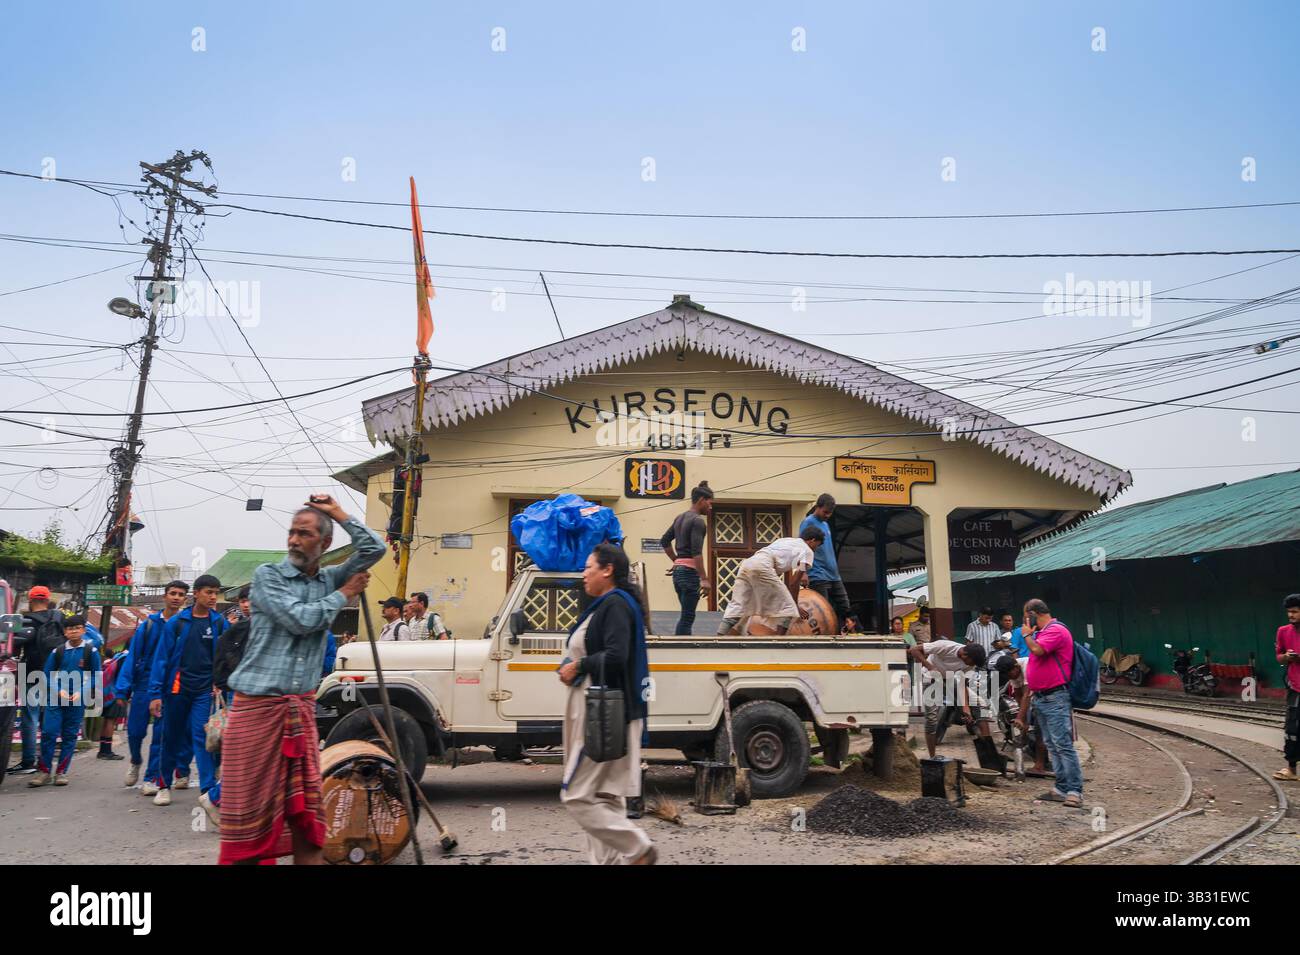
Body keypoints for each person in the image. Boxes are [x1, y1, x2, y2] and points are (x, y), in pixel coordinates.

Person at [218, 494, 383, 865]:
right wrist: (345, 594)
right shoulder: (268, 576)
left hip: (299, 712)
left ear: (324, 544)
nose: (293, 540)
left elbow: (374, 547)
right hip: (257, 711)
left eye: (304, 533)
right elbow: (302, 620)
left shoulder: (328, 577)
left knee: (308, 821)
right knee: (251, 821)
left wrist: (336, 512)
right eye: (292, 532)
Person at [557, 542, 655, 865]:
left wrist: (580, 666)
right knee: (606, 797)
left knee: (575, 796)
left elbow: (616, 657)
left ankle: (637, 846)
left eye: (589, 567)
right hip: (601, 710)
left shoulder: (615, 604)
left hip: (604, 717)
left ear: (607, 570)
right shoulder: (607, 605)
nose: (583, 574)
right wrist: (571, 666)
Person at [148, 574, 228, 808]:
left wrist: (220, 682)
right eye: (209, 592)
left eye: (216, 592)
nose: (213, 597)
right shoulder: (177, 623)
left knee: (202, 737)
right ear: (197, 594)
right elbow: (161, 659)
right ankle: (163, 786)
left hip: (204, 691)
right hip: (176, 690)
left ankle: (207, 791)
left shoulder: (219, 623)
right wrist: (154, 694)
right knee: (170, 737)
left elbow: (224, 657)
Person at [121, 579, 188, 793]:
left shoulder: (185, 625)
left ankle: (151, 778)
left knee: (161, 734)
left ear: (185, 599)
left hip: (170, 686)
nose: (176, 598)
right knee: (135, 731)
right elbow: (133, 656)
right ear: (165, 596)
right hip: (144, 683)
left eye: (180, 595)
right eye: (173, 593)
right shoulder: (149, 624)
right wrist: (123, 688)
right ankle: (135, 760)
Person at [1020, 598, 1083, 808]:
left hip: (1055, 697)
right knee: (1052, 745)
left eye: (1025, 617)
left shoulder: (1055, 630)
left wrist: (1027, 634)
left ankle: (1075, 790)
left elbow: (1037, 650)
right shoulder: (1044, 632)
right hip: (1042, 697)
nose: (1024, 621)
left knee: (1062, 745)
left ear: (1032, 614)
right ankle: (1061, 788)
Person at [29, 615, 100, 787]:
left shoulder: (91, 652)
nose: (74, 631)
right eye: (69, 628)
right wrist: (57, 690)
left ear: (83, 630)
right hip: (56, 698)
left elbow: (95, 676)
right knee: (48, 733)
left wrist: (81, 692)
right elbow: (47, 674)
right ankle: (44, 771)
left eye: (77, 628)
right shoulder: (58, 651)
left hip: (77, 700)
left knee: (69, 736)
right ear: (65, 632)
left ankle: (61, 772)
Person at [716, 526, 822, 636]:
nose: (816, 549)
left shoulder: (786, 541)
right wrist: (795, 606)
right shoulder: (808, 551)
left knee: (739, 607)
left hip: (747, 564)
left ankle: (718, 639)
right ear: (812, 540)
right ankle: (778, 645)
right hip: (763, 566)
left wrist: (803, 574)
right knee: (789, 609)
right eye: (817, 546)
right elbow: (794, 582)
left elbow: (796, 567)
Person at [11, 586, 64, 775]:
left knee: (30, 716)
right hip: (56, 673)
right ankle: (47, 760)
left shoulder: (26, 621)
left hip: (31, 671)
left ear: (31, 600)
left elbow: (14, 644)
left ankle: (28, 761)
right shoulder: (59, 617)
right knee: (49, 714)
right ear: (48, 600)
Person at [907, 637, 987, 758]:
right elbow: (914, 650)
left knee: (977, 703)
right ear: (966, 655)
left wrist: (966, 708)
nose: (972, 666)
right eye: (972, 662)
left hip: (949, 679)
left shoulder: (970, 663)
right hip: (930, 678)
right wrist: (930, 667)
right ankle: (932, 756)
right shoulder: (945, 646)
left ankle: (981, 735)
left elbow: (962, 684)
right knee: (931, 719)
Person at [659, 481, 713, 636]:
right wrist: (704, 578)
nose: (711, 507)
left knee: (685, 615)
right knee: (687, 617)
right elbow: (696, 552)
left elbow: (664, 541)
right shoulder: (697, 521)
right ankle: (682, 648)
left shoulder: (679, 518)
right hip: (689, 574)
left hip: (678, 574)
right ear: (701, 500)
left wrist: (677, 561)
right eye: (709, 503)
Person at [799, 494, 857, 633]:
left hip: (833, 574)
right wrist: (804, 572)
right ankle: (825, 636)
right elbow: (802, 547)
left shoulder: (825, 524)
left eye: (830, 513)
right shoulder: (808, 522)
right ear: (817, 507)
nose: (827, 515)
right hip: (818, 574)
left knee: (845, 606)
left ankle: (847, 633)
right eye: (825, 512)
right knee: (823, 609)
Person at [1273, 594, 1300, 783]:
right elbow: (1279, 656)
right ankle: (1291, 769)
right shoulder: (1283, 631)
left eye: (1295, 612)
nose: (1291, 615)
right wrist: (1287, 657)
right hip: (1295, 686)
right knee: (1291, 729)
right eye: (1289, 612)